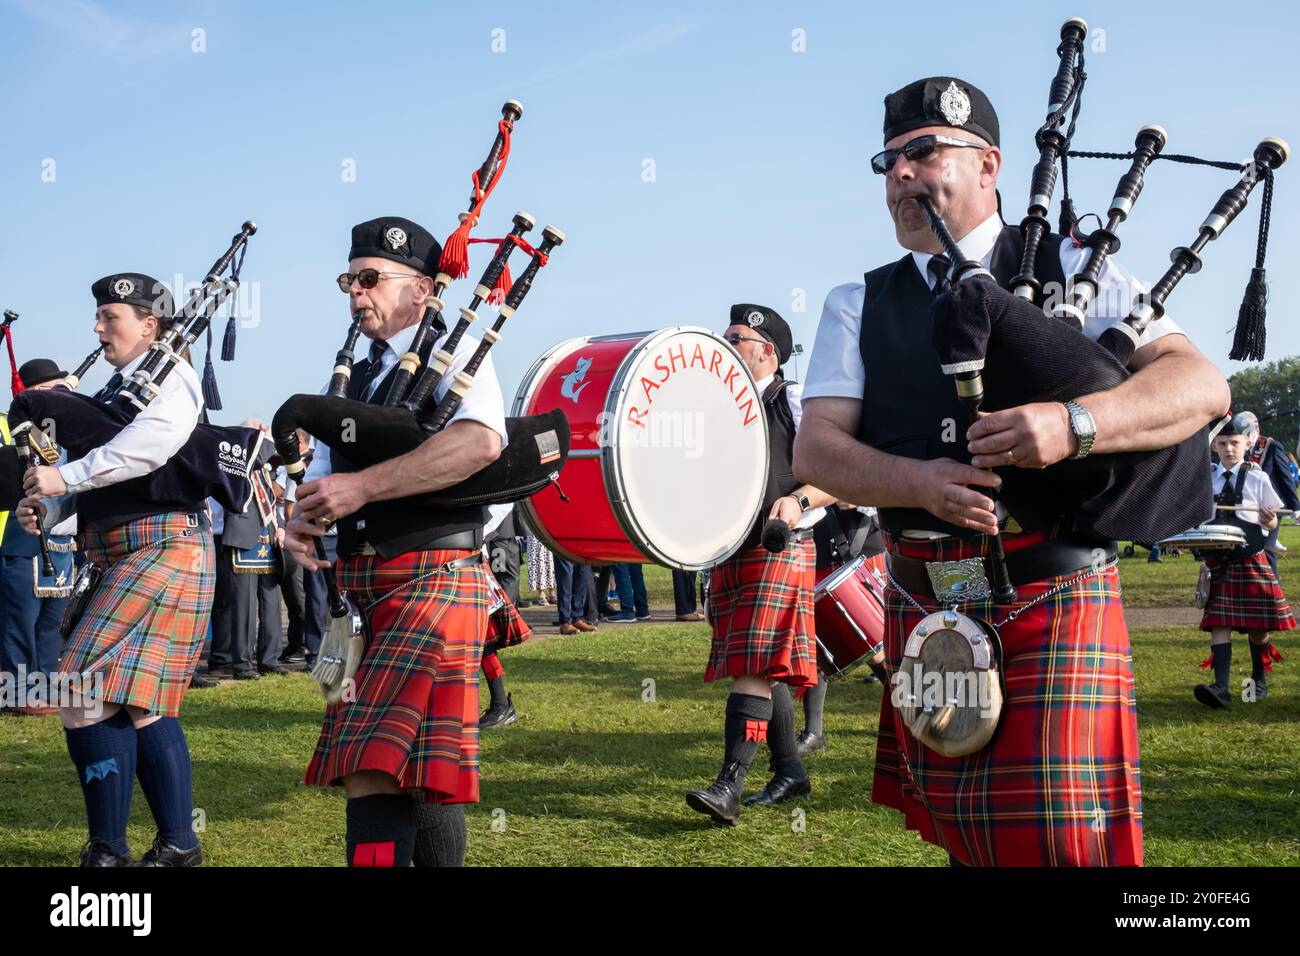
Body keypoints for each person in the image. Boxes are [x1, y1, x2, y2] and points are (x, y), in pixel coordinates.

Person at [793, 77, 1229, 865]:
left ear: (990, 165)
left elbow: (1201, 387)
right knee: (968, 837)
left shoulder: (1073, 266)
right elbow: (817, 450)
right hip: (926, 597)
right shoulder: (858, 302)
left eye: (923, 152)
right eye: (888, 161)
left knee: (1057, 843)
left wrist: (1075, 424)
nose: (901, 175)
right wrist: (918, 482)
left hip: (1051, 593)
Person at [283, 216, 507, 868]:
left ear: (425, 291)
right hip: (361, 590)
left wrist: (363, 491)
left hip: (429, 576)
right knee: (417, 772)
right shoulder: (360, 371)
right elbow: (329, 475)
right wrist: (311, 522)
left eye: (370, 279)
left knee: (372, 766)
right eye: (349, 280)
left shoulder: (456, 351)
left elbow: (478, 442)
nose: (356, 293)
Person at [17, 272, 217, 866]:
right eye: (100, 316)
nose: (98, 328)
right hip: (124, 550)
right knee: (138, 700)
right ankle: (178, 843)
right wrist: (51, 504)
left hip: (162, 546)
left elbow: (148, 450)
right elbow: (102, 475)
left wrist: (66, 477)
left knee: (81, 685)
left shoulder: (171, 379)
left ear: (148, 325)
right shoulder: (120, 388)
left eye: (111, 317)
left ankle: (108, 848)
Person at [684, 304, 834, 825]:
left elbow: (841, 472)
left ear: (768, 350)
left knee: (751, 665)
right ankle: (791, 770)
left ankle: (730, 783)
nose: (725, 344)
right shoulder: (720, 408)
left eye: (737, 337)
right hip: (731, 548)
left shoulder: (796, 400)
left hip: (780, 547)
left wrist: (800, 502)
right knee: (763, 665)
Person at [1194, 416, 1294, 707]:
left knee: (1257, 629)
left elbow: (1274, 516)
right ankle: (1220, 688)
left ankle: (1256, 682)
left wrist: (1271, 519)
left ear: (1247, 443)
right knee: (1218, 624)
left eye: (1235, 443)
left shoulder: (1257, 476)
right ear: (1214, 446)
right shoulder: (1207, 478)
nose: (1229, 449)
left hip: (1250, 559)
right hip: (1218, 562)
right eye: (1223, 443)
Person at [0, 358, 78, 716]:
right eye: (50, 389)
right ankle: (16, 693)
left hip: (63, 541)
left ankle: (46, 686)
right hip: (25, 538)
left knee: (52, 622)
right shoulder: (16, 430)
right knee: (20, 621)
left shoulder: (72, 430)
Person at [1236, 410, 1300, 574]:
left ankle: (1273, 593)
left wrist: (1295, 507)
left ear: (1256, 429)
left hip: (1271, 508)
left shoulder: (1271, 446)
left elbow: (1286, 477)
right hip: (1248, 508)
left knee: (1267, 550)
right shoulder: (1239, 448)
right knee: (1250, 551)